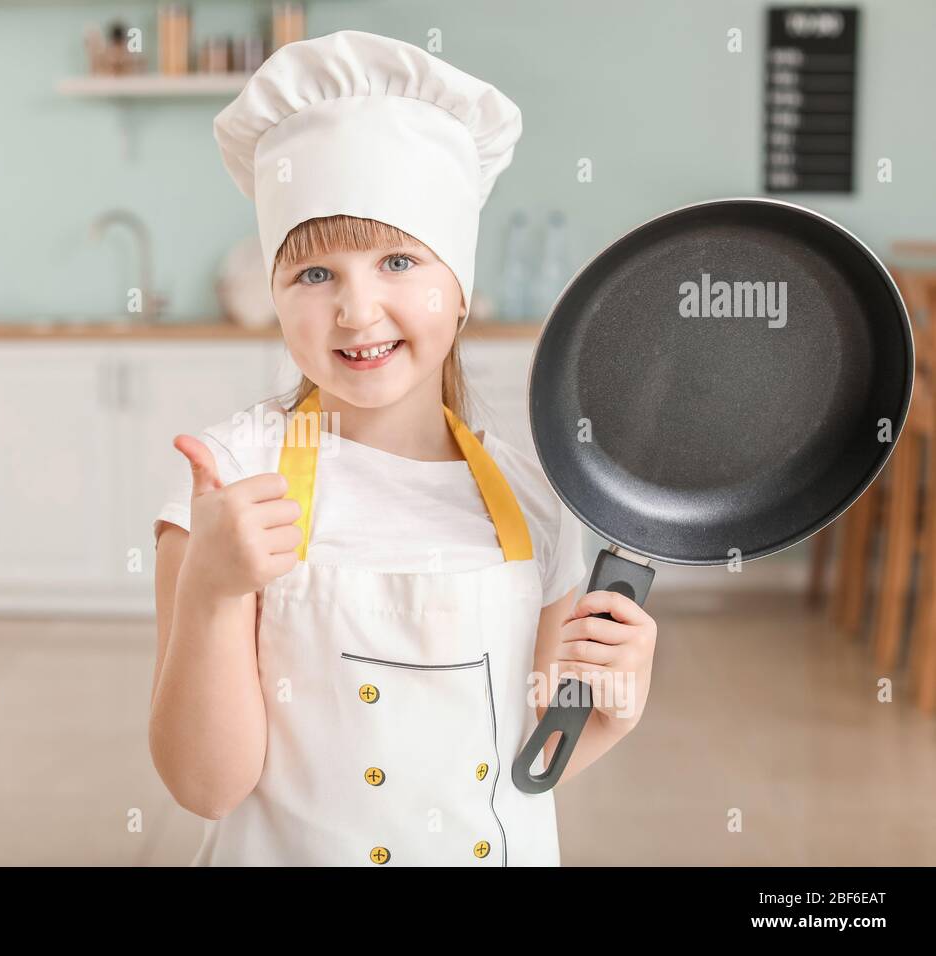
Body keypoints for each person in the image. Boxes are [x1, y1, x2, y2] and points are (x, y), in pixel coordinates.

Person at [150, 29, 657, 866]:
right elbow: (206, 787)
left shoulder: (537, 495)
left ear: (458, 288)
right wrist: (211, 589)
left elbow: (526, 765)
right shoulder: (229, 486)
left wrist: (607, 709)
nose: (356, 311)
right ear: (273, 295)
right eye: (313, 275)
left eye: (397, 261)